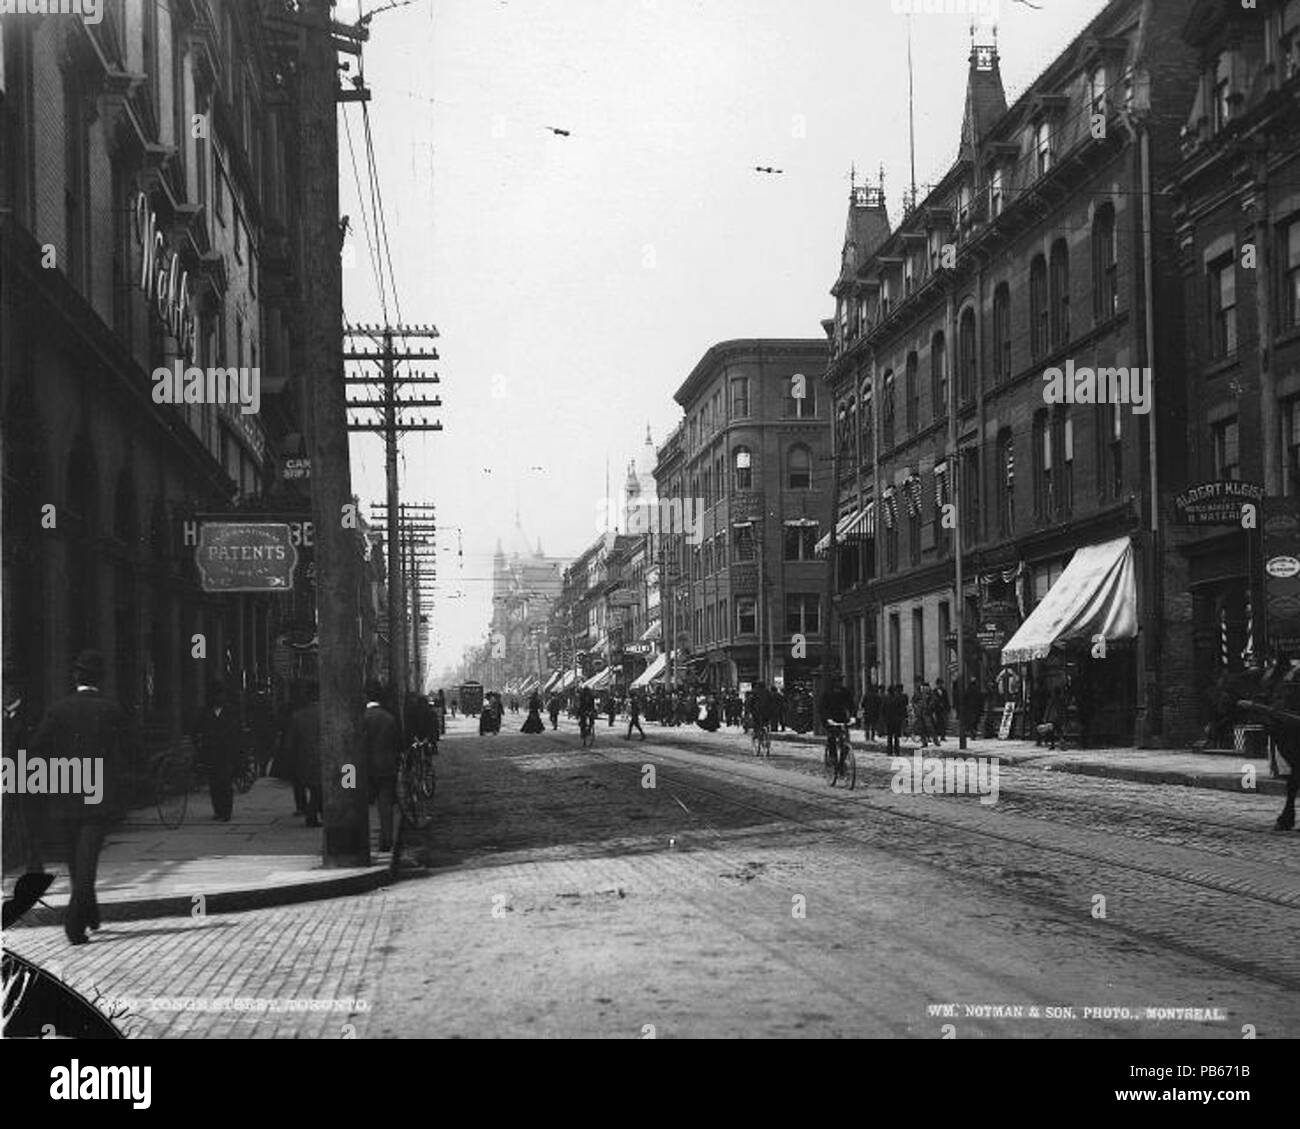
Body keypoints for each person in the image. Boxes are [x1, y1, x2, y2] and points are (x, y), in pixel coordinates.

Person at [28, 650, 133, 945]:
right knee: (86, 864)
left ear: (76, 677)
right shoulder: (111, 711)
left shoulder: (58, 710)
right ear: (101, 679)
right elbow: (131, 750)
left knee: (76, 861)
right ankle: (74, 926)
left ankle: (89, 911)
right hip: (97, 798)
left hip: (65, 794)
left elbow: (36, 748)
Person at [363, 682, 402, 851]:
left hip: (357, 769)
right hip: (387, 767)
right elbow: (398, 743)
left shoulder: (360, 717)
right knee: (385, 804)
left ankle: (359, 838)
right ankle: (387, 840)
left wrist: (346, 775)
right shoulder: (389, 717)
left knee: (356, 800)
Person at [194, 682, 242, 822]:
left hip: (226, 752)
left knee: (225, 782)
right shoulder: (206, 712)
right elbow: (197, 729)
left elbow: (236, 731)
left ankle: (226, 811)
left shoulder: (231, 711)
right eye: (216, 695)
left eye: (221, 694)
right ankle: (218, 810)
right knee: (214, 783)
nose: (218, 697)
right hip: (210, 751)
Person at [288, 682, 322, 827]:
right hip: (324, 759)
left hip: (303, 760)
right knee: (319, 790)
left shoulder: (297, 716)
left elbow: (290, 743)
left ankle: (312, 812)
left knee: (315, 789)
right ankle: (312, 815)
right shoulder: (327, 713)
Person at [819, 674, 856, 769]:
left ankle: (842, 762)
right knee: (832, 736)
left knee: (846, 740)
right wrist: (827, 719)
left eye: (840, 681)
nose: (839, 683)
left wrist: (852, 716)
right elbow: (823, 707)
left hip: (842, 718)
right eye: (837, 681)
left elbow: (851, 705)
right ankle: (832, 757)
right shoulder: (827, 693)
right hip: (830, 718)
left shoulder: (845, 692)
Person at [883, 684, 905, 757]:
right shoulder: (898, 699)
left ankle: (889, 751)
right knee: (896, 737)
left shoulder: (886, 699)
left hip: (889, 720)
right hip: (896, 720)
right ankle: (897, 751)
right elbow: (901, 709)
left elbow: (883, 710)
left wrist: (884, 718)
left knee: (889, 736)